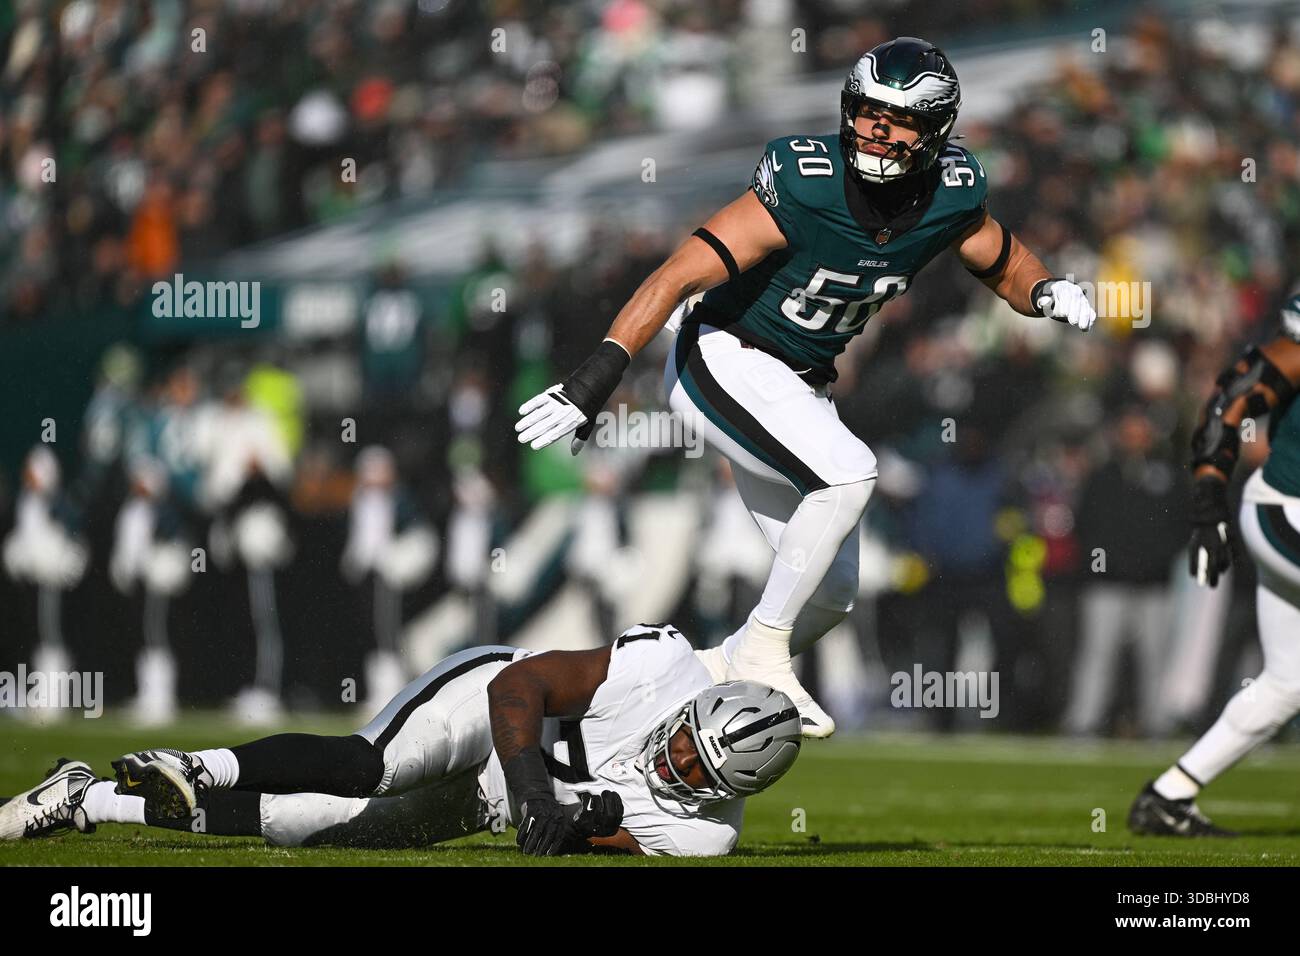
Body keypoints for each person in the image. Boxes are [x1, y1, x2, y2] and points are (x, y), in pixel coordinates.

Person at [514, 37, 1097, 736]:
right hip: (724, 357)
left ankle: (662, 697)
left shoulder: (950, 191)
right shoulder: (806, 179)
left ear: (936, 130)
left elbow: (1001, 259)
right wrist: (592, 382)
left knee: (832, 591)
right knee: (851, 476)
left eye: (900, 120)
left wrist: (1046, 289)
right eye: (870, 113)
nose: (879, 131)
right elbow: (677, 277)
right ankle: (762, 652)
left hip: (799, 389)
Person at [2, 624, 801, 857]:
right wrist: (535, 795)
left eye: (696, 769)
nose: (674, 759)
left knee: (297, 826)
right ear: (696, 707)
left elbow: (618, 837)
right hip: (486, 705)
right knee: (368, 768)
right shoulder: (662, 666)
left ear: (732, 790)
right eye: (685, 741)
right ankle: (199, 764)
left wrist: (579, 829)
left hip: (496, 802)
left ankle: (83, 799)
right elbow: (516, 688)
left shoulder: (706, 835)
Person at [1129, 290, 1300, 836]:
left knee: (1287, 683)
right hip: (1286, 510)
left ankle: (1169, 795)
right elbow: (1231, 399)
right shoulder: (1293, 352)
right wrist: (1207, 505)